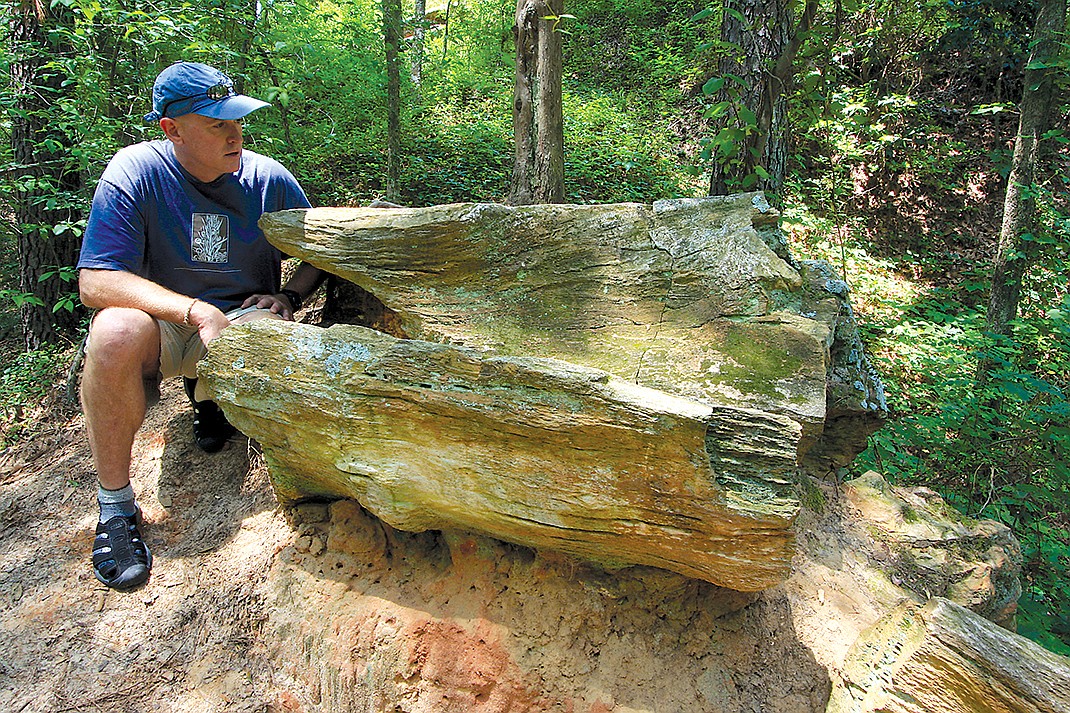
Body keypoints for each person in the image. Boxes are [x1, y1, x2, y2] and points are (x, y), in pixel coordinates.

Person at [77, 61, 323, 591]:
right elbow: (96, 282)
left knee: (289, 340)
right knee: (114, 330)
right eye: (217, 125)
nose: (236, 134)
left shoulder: (267, 177)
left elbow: (318, 251)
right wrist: (192, 310)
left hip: (239, 325)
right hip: (165, 323)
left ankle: (212, 401)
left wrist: (288, 294)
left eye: (237, 120)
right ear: (173, 129)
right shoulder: (135, 171)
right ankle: (116, 509)